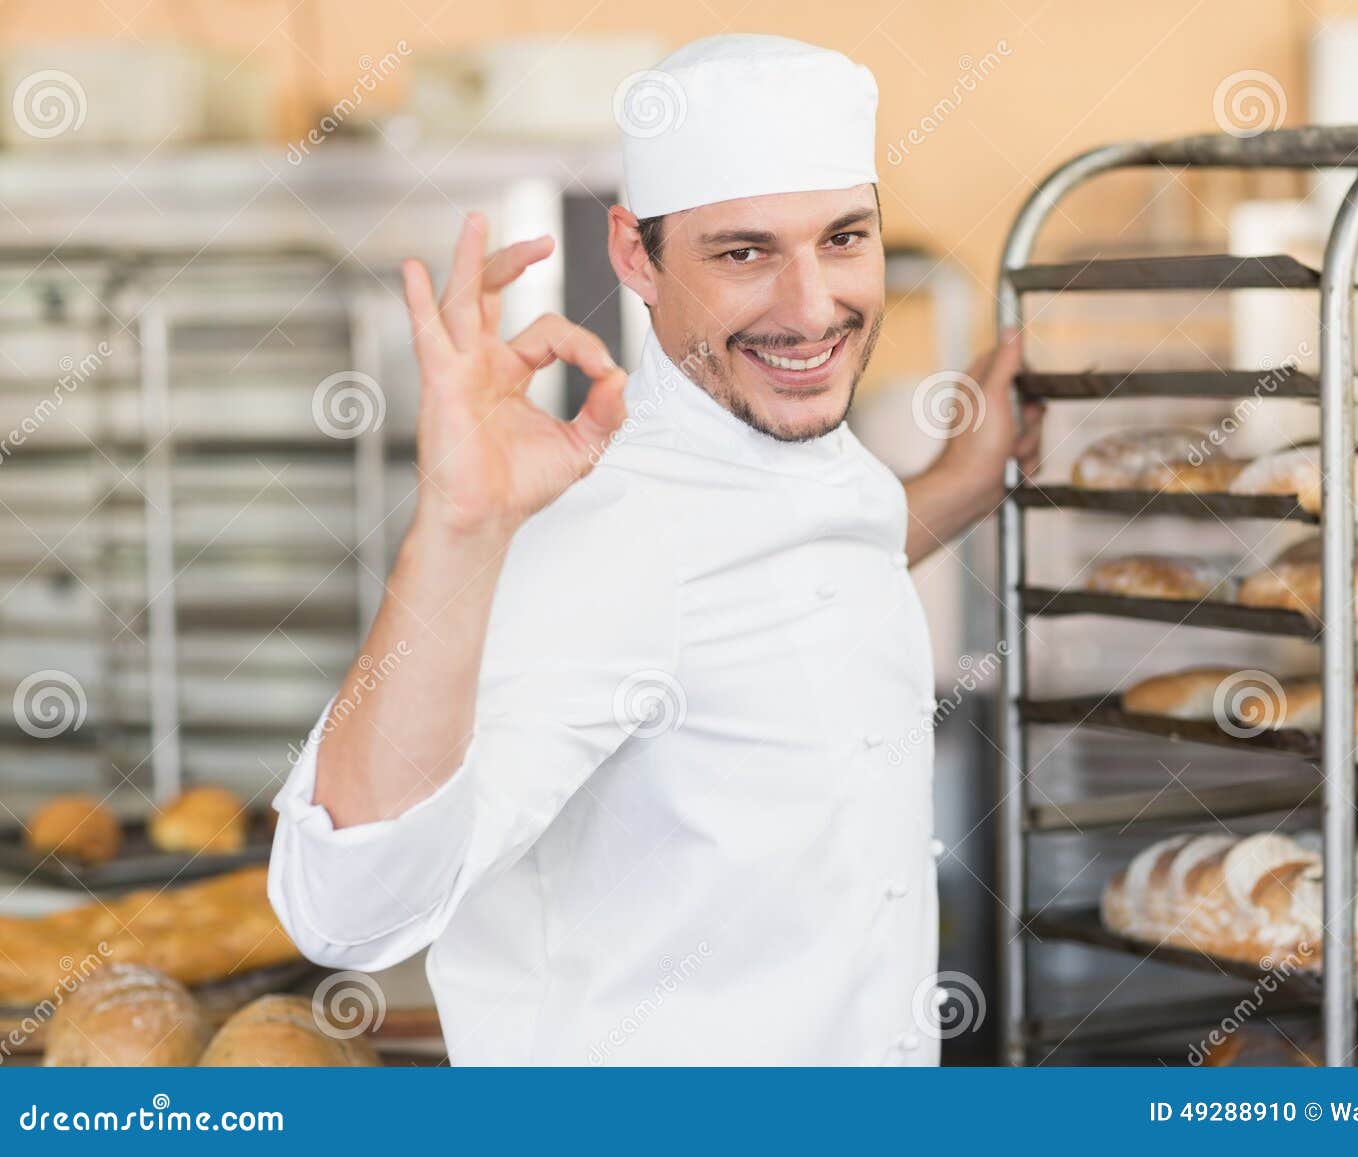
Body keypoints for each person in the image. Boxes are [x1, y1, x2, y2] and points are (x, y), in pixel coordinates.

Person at [268, 32, 1043, 1065]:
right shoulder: (602, 534)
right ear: (635, 254)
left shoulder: (801, 457)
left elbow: (785, 577)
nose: (811, 307)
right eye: (743, 252)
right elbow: (344, 908)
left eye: (844, 239)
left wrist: (959, 485)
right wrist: (458, 530)